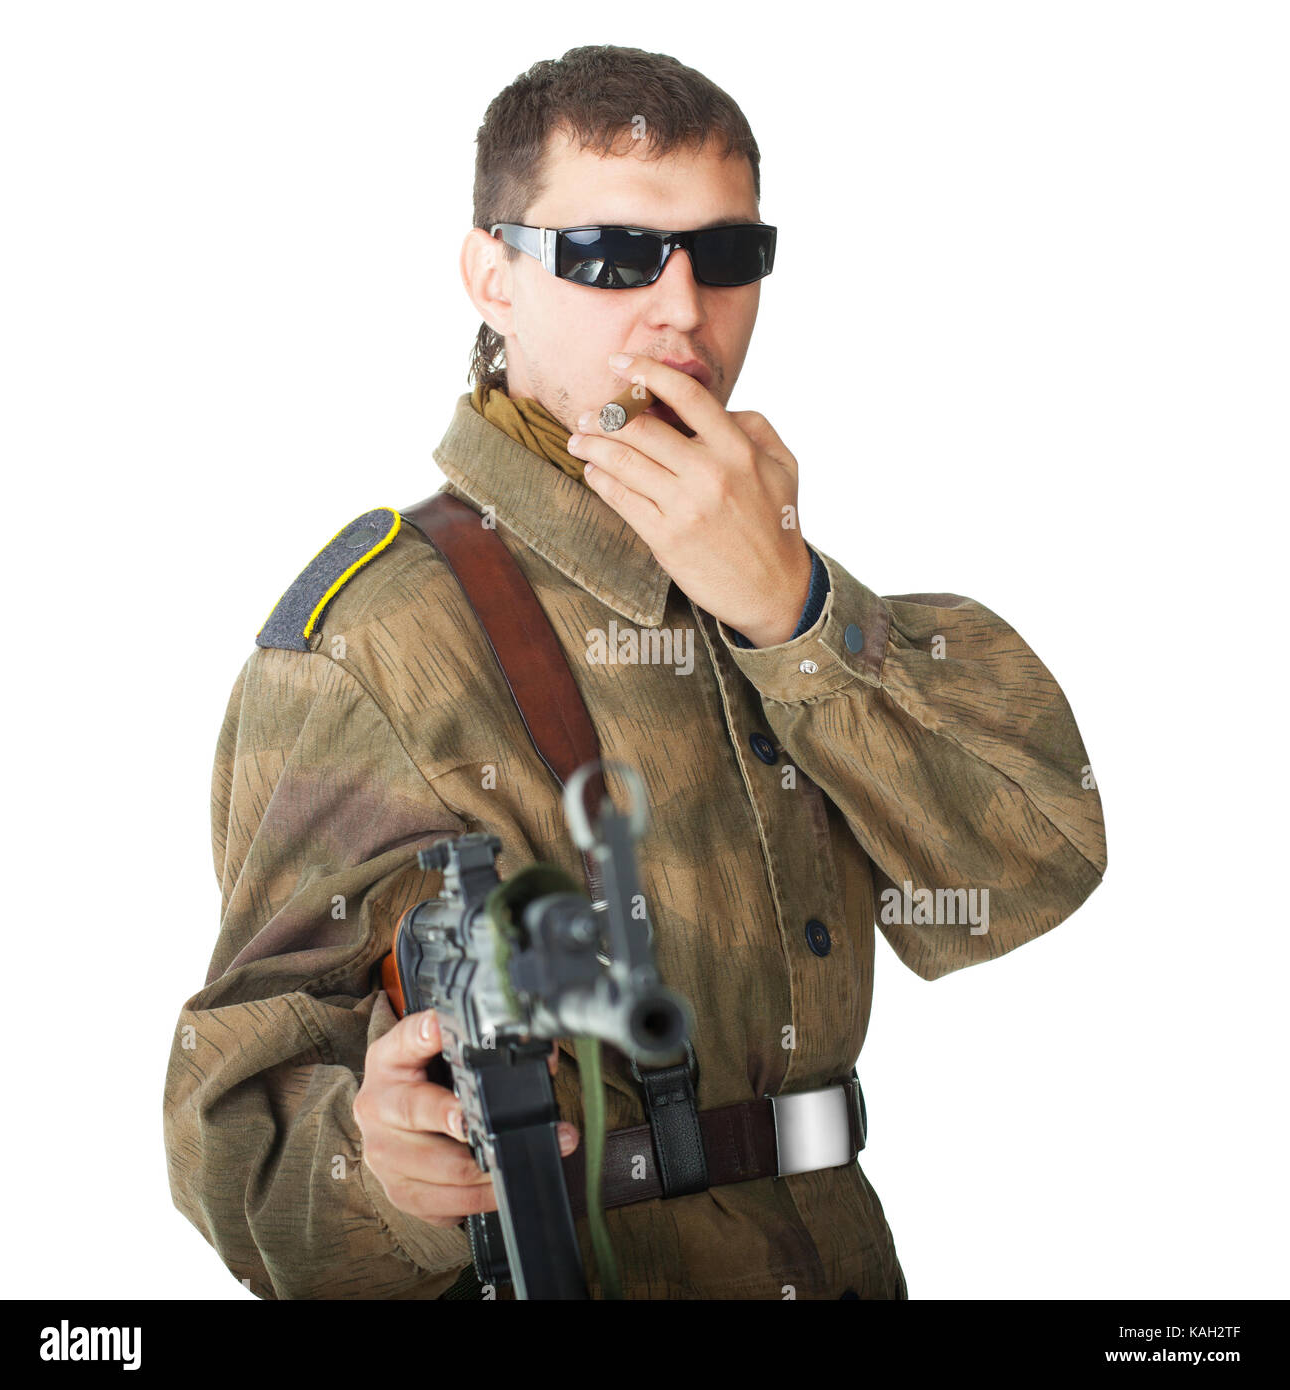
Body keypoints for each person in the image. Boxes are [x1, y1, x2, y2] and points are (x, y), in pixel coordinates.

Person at [164, 45, 1107, 1301]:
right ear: (492, 275)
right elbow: (234, 1111)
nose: (680, 306)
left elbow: (1025, 871)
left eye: (725, 255)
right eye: (611, 254)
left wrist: (794, 611)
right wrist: (370, 1155)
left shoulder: (764, 575)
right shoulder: (379, 636)